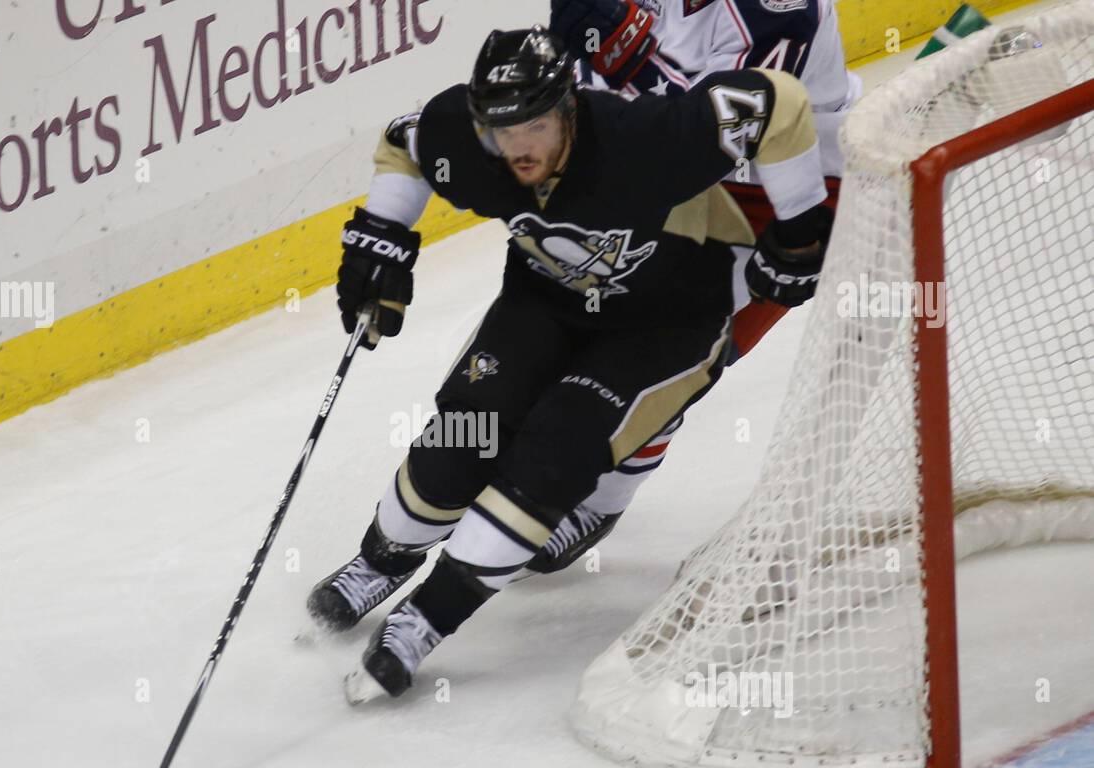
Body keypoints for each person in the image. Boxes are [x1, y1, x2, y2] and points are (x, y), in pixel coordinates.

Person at [308, 26, 833, 703]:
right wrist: (381, 235)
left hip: (665, 323)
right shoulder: (467, 142)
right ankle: (383, 561)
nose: (516, 146)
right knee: (462, 437)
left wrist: (799, 234)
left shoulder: (647, 140)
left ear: (568, 110)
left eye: (533, 125)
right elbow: (404, 143)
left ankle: (424, 621)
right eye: (500, 129)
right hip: (547, 300)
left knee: (549, 459)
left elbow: (781, 102)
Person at [524, 0, 859, 574]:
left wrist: (625, 57)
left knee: (682, 355)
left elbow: (732, 124)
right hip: (680, 179)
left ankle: (602, 504)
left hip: (791, 191)